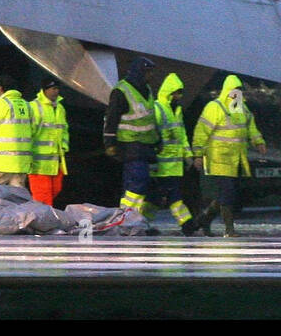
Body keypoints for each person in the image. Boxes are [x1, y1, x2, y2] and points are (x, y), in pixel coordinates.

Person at [192, 74, 266, 237]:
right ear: (227, 90)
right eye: (234, 90)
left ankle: (204, 218)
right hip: (219, 158)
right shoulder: (215, 107)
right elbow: (201, 132)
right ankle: (229, 229)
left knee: (227, 194)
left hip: (235, 159)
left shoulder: (241, 109)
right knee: (227, 193)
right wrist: (198, 154)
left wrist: (258, 141)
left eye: (239, 90)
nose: (237, 93)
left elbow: (250, 127)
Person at [103, 57, 161, 220]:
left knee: (146, 185)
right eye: (148, 72)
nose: (151, 75)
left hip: (146, 145)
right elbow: (111, 118)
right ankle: (127, 217)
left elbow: (150, 118)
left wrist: (158, 140)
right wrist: (110, 143)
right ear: (140, 72)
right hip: (130, 144)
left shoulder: (147, 89)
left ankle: (139, 218)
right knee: (137, 181)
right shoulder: (121, 91)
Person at [151, 72, 198, 235]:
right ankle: (187, 224)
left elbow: (182, 136)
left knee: (156, 198)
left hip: (173, 165)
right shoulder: (157, 108)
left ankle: (141, 223)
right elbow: (152, 133)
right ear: (170, 92)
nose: (180, 96)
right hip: (162, 164)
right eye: (178, 92)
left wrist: (188, 156)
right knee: (172, 196)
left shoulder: (177, 111)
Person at [0, 74, 33, 188]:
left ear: (0, 88)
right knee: (17, 200)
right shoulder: (28, 106)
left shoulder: (0, 104)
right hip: (21, 164)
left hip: (1, 164)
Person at [27, 78, 69, 207]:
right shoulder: (34, 107)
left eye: (57, 89)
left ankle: (41, 219)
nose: (56, 92)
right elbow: (28, 132)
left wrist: (64, 147)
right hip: (39, 163)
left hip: (56, 161)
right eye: (53, 89)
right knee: (43, 197)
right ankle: (43, 223)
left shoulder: (60, 108)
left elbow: (64, 129)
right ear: (44, 90)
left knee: (54, 191)